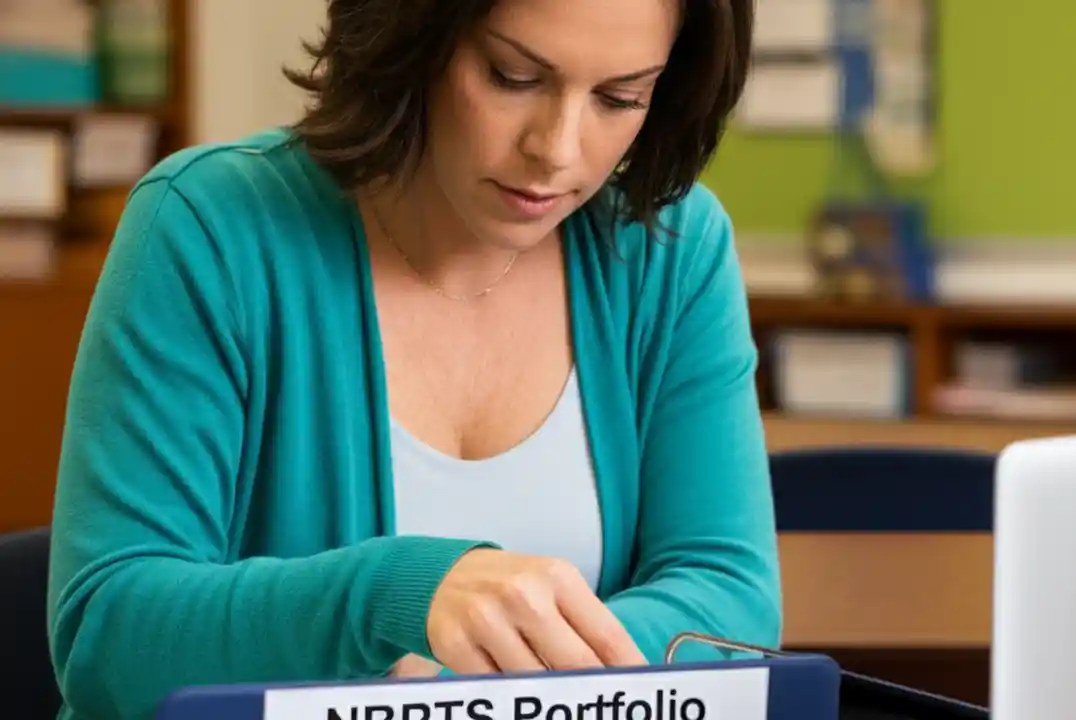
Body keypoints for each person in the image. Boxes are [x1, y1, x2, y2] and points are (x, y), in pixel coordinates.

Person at [45, 0, 781, 717]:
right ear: (411, 34)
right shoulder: (210, 228)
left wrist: (495, 694)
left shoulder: (669, 252)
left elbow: (729, 600)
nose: (557, 149)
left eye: (620, 97)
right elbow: (108, 636)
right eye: (512, 77)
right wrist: (398, 596)